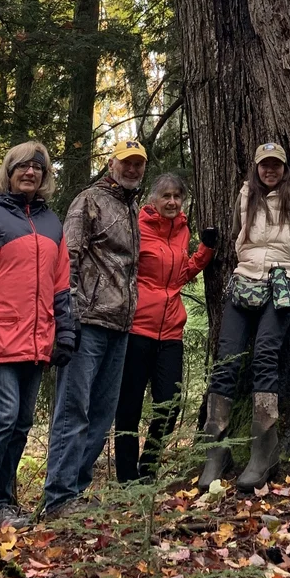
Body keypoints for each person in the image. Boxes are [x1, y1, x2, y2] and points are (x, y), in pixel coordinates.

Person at [0, 141, 75, 546]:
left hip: (37, 342)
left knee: (21, 424)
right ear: (9, 171)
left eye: (38, 168)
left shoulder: (53, 224)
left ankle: (0, 503)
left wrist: (66, 334)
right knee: (3, 418)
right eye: (22, 166)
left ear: (44, 176)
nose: (30, 173)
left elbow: (61, 288)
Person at [197, 141, 290, 492]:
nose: (270, 170)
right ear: (255, 167)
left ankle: (263, 452)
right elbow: (239, 238)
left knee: (265, 357)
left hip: (282, 285)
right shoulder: (245, 196)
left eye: (276, 164)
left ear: (285, 167)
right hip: (244, 280)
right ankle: (215, 452)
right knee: (226, 360)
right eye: (264, 165)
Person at [43, 138, 146, 516]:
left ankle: (77, 492)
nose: (132, 169)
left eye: (138, 164)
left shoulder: (130, 207)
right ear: (111, 163)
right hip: (86, 322)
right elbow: (66, 258)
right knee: (74, 411)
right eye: (126, 162)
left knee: (102, 415)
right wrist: (66, 318)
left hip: (120, 325)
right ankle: (58, 497)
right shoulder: (89, 200)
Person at [114, 172, 217, 482]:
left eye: (177, 196)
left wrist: (205, 252)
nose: (172, 202)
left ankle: (148, 468)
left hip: (171, 331)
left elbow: (179, 275)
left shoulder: (182, 230)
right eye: (166, 196)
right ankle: (127, 479)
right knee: (129, 409)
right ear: (153, 200)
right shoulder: (137, 228)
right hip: (136, 331)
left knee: (169, 407)